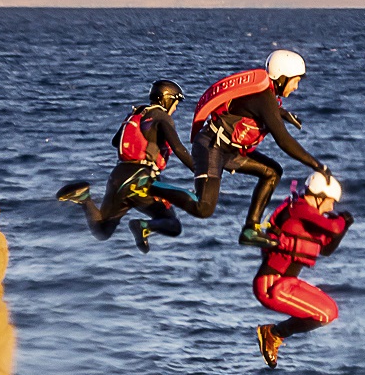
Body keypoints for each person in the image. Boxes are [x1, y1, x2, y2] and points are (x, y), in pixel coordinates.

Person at [186, 48, 330, 246]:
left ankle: (250, 230)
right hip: (212, 145)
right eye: (296, 80)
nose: (296, 87)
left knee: (272, 172)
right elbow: (284, 141)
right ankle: (154, 186)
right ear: (282, 77)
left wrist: (283, 113)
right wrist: (317, 165)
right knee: (204, 208)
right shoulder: (263, 97)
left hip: (230, 151)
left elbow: (257, 109)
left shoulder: (266, 97)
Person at [55, 80, 200, 252]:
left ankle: (85, 198)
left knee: (103, 230)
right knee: (173, 224)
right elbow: (177, 148)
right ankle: (142, 227)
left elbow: (116, 141)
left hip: (119, 176)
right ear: (166, 100)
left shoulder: (136, 114)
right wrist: (200, 171)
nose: (175, 109)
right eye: (175, 103)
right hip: (140, 180)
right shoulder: (161, 117)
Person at [252, 170, 353, 367]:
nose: (331, 206)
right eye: (330, 201)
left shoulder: (307, 219)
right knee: (324, 314)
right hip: (270, 285)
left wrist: (345, 225)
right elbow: (333, 228)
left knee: (331, 311)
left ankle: (273, 333)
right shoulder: (298, 208)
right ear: (318, 197)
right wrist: (342, 220)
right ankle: (273, 334)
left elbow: (326, 249)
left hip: (286, 283)